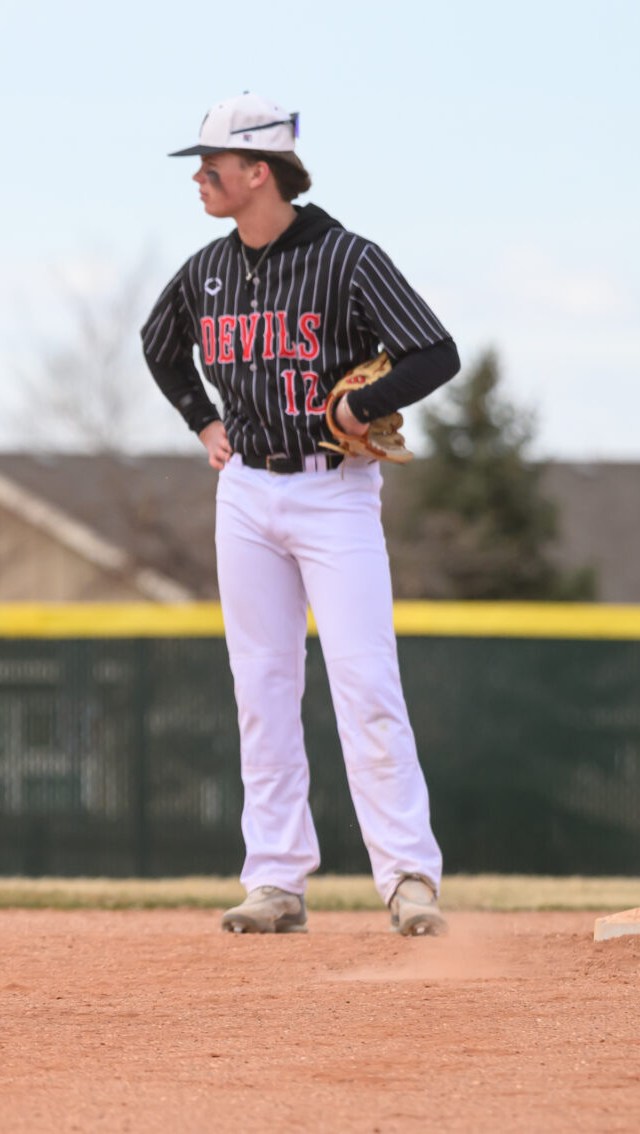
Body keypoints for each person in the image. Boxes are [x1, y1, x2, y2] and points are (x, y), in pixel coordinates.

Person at [140, 93, 458, 937]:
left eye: (213, 165)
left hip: (333, 491)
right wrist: (202, 422)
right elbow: (159, 343)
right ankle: (276, 880)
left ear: (260, 171)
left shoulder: (346, 258)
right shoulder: (207, 268)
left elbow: (436, 350)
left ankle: (408, 878)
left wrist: (367, 406)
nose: (200, 177)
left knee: (365, 682)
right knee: (262, 687)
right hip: (245, 488)